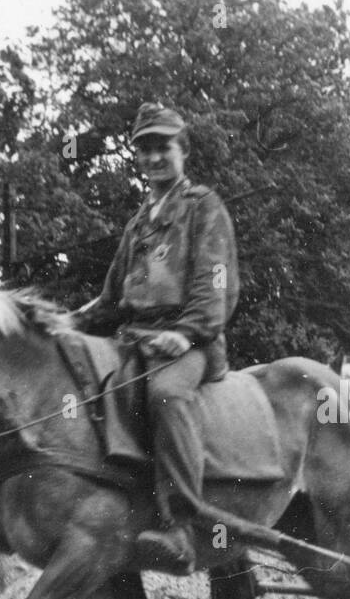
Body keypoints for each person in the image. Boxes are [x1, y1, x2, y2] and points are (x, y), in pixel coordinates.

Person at [73, 102, 240, 573]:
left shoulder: (204, 208)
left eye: (162, 147)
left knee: (166, 395)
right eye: (144, 150)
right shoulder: (138, 224)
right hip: (138, 341)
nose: (153, 159)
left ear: (182, 150)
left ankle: (183, 529)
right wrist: (69, 323)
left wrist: (186, 335)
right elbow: (111, 299)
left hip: (193, 344)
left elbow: (217, 287)